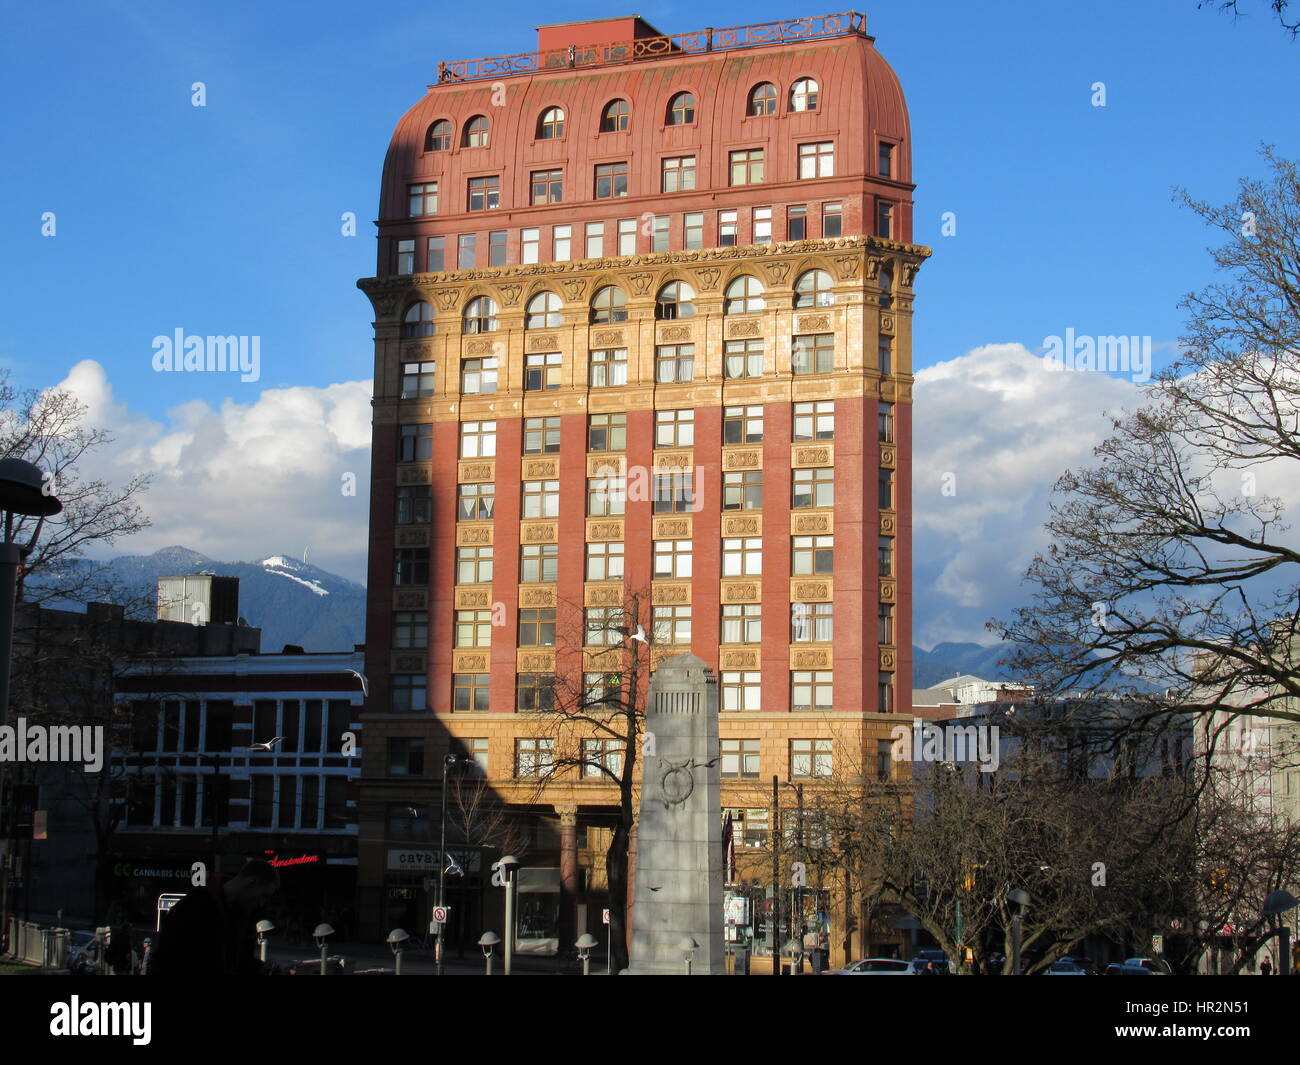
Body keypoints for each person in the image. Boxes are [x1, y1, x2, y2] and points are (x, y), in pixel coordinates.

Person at [148, 861, 280, 977]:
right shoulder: (194, 907)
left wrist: (260, 968)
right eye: (264, 895)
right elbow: (169, 961)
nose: (262, 903)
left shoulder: (243, 915)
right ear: (252, 882)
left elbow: (239, 962)